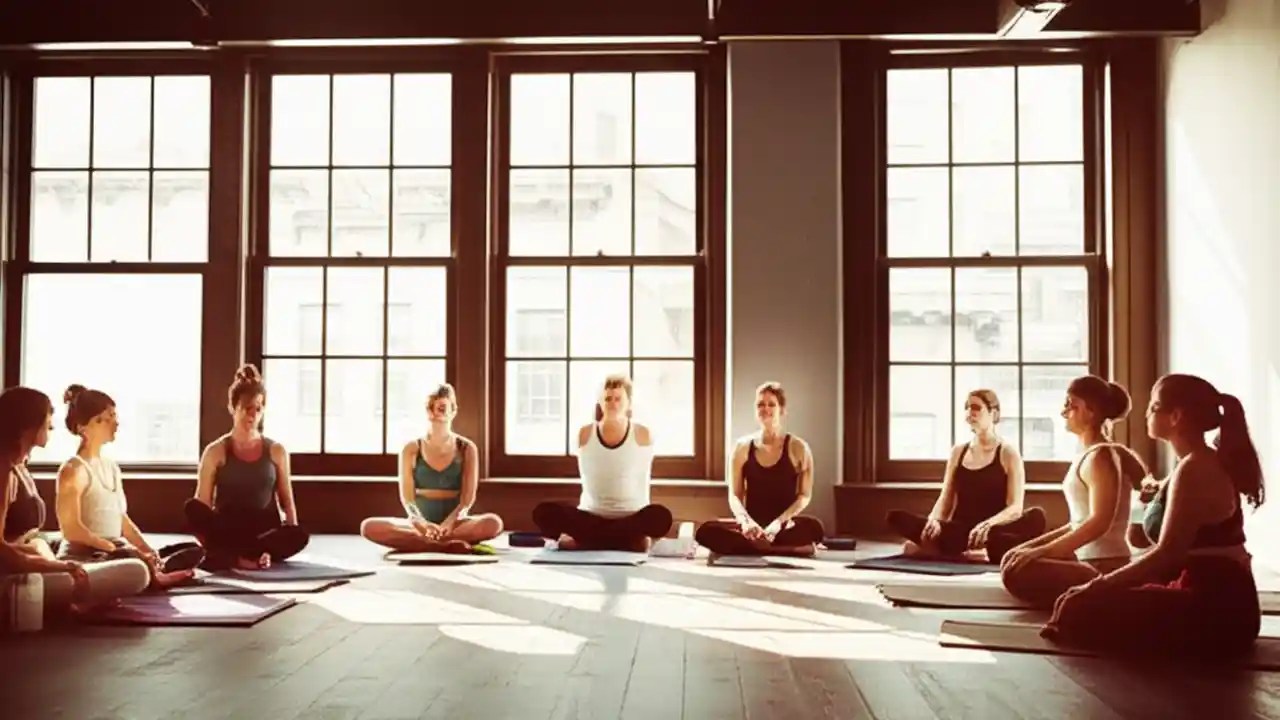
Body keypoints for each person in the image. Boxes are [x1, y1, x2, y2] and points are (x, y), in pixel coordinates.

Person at [1043, 374, 1264, 657]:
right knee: (1080, 602)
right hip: (1212, 598)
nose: (1146, 412)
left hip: (1219, 610)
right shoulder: (1188, 464)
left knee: (1083, 608)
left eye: (1154, 406)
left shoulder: (1196, 468)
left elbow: (1167, 555)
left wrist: (1097, 585)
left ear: (1176, 416)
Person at [1000, 376, 1148, 608]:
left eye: (1071, 405)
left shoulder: (1102, 457)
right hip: (1086, 559)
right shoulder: (1091, 454)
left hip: (1103, 564)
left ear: (1091, 412)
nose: (1063, 411)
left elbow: (1100, 522)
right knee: (1012, 559)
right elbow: (1076, 523)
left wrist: (1037, 553)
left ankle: (1095, 591)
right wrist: (1029, 549)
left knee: (1017, 571)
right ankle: (1079, 598)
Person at [0, 386, 149, 611]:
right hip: (15, 583)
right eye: (47, 419)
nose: (52, 425)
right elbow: (2, 551)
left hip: (32, 565)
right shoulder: (4, 471)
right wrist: (57, 565)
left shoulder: (19, 467)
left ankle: (86, 586)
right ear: (28, 425)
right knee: (137, 572)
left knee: (47, 541)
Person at [52, 385, 198, 590]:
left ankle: (153, 566)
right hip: (86, 557)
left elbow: (121, 520)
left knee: (193, 550)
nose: (116, 422)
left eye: (115, 415)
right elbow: (72, 530)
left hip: (116, 551)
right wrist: (113, 548)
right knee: (136, 567)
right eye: (108, 417)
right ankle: (152, 575)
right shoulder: (72, 470)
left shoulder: (111, 467)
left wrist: (148, 549)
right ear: (84, 427)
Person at [883, 389, 1046, 564]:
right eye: (967, 407)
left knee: (1036, 517)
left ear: (994, 413)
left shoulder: (1008, 452)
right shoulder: (958, 452)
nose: (970, 412)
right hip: (960, 531)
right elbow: (946, 499)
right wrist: (933, 522)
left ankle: (947, 551)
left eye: (976, 407)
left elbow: (1015, 507)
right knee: (895, 517)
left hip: (992, 531)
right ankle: (970, 554)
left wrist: (988, 525)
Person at [186, 365, 308, 570]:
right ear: (233, 408)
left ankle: (239, 555)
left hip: (263, 531)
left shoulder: (276, 450)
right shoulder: (215, 451)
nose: (253, 415)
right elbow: (202, 503)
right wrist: (207, 541)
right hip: (228, 528)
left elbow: (287, 502)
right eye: (247, 408)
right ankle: (243, 555)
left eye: (258, 409)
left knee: (300, 535)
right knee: (191, 508)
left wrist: (290, 532)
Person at [532, 374, 672, 551]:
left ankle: (588, 542)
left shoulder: (642, 433)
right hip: (591, 517)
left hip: (630, 517)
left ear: (628, 402)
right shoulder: (585, 433)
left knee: (659, 517)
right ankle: (624, 542)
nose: (613, 403)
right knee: (544, 512)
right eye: (607, 398)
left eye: (618, 399)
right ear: (600, 401)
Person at [360, 383, 503, 552]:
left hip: (456, 523)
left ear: (453, 411)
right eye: (430, 408)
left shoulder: (466, 448)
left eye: (442, 408)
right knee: (368, 527)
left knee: (493, 523)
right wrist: (420, 523)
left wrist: (450, 523)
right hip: (420, 525)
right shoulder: (411, 448)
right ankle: (441, 544)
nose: (435, 412)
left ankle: (426, 544)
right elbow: (408, 499)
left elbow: (466, 500)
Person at [695, 382, 825, 557]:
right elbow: (735, 495)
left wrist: (778, 523)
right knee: (706, 530)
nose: (766, 409)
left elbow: (804, 496)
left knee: (814, 528)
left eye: (771, 404)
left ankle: (754, 548)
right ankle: (781, 549)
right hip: (751, 527)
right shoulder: (741, 447)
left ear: (782, 410)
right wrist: (745, 522)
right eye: (760, 404)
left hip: (783, 526)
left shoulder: (798, 448)